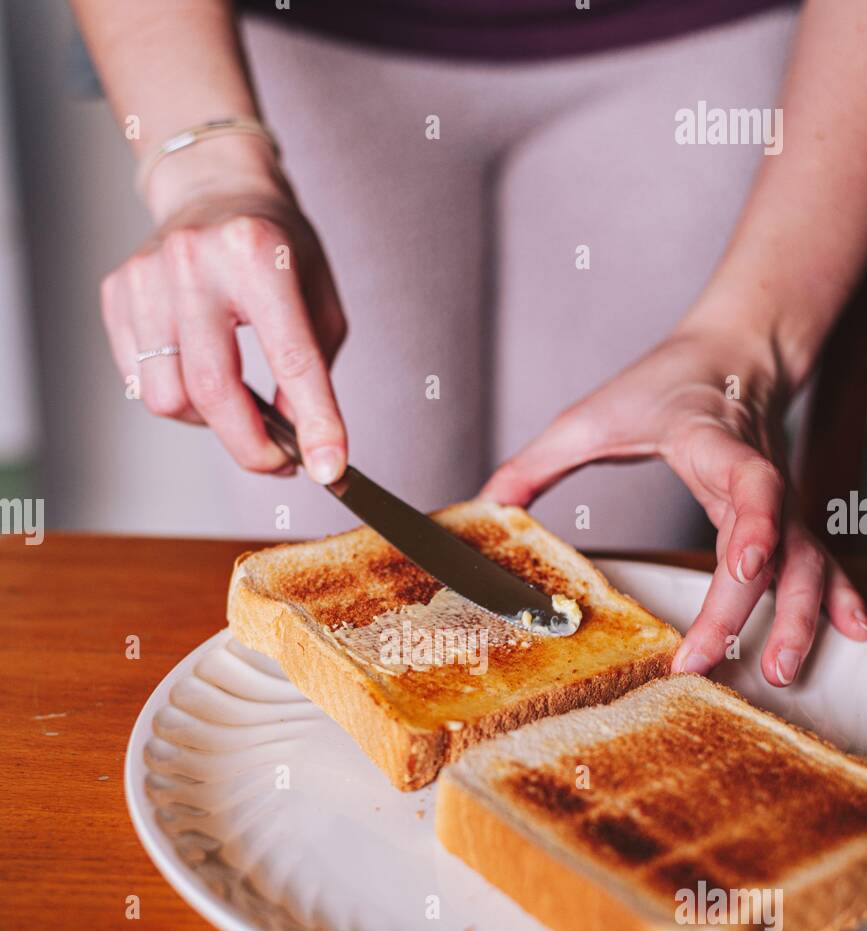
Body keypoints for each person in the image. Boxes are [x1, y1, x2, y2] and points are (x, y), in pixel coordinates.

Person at [71, 0, 867, 687]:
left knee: (619, 584)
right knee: (338, 619)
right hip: (300, 50)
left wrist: (744, 348)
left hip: (697, 41)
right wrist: (212, 175)